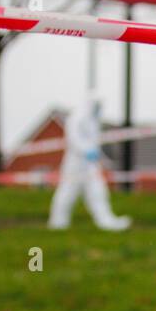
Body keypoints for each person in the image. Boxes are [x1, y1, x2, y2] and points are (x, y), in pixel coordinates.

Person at [48, 96, 132, 231]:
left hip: (90, 166)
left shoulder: (93, 121)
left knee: (98, 192)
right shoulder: (77, 118)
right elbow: (73, 138)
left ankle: (105, 221)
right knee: (67, 192)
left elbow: (94, 142)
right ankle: (58, 222)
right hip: (75, 165)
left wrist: (99, 157)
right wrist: (86, 150)